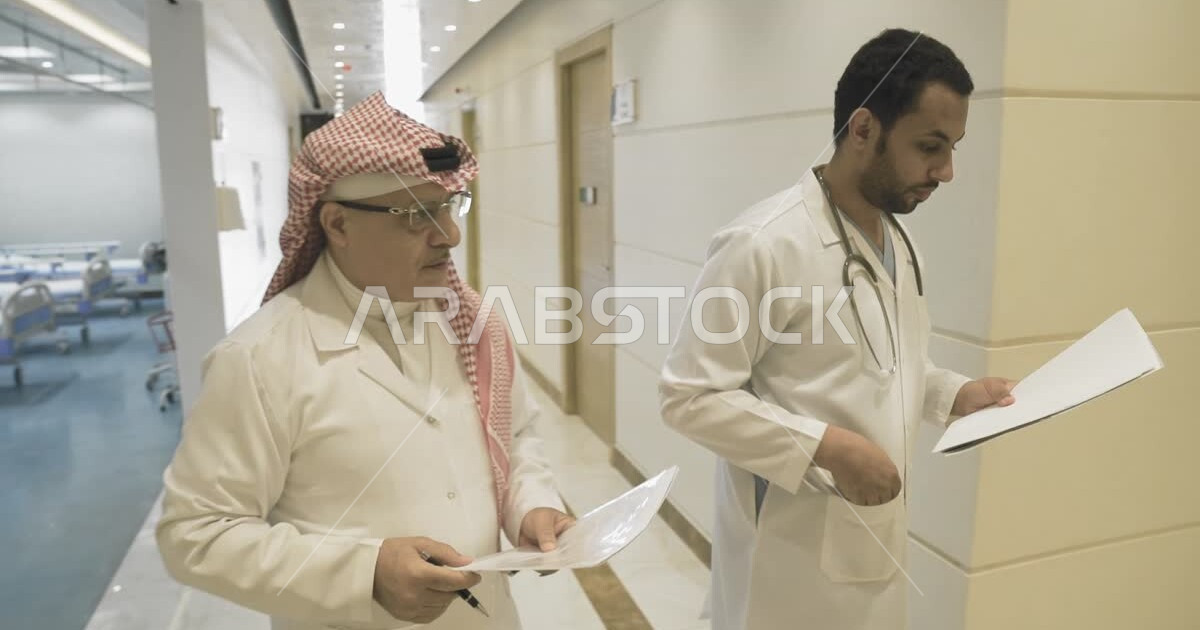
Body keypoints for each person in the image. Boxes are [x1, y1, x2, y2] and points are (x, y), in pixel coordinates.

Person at [157, 92, 572, 630]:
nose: (449, 234)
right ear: (338, 224)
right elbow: (195, 533)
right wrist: (364, 574)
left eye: (449, 205)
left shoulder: (472, 324)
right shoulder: (259, 358)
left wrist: (530, 506)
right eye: (416, 214)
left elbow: (516, 439)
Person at [658, 29, 1017, 630]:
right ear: (862, 129)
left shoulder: (896, 241)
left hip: (868, 545)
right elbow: (688, 398)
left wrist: (951, 394)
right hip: (788, 561)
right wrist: (829, 446)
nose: (947, 171)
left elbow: (880, 365)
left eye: (953, 147)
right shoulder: (762, 245)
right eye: (930, 146)